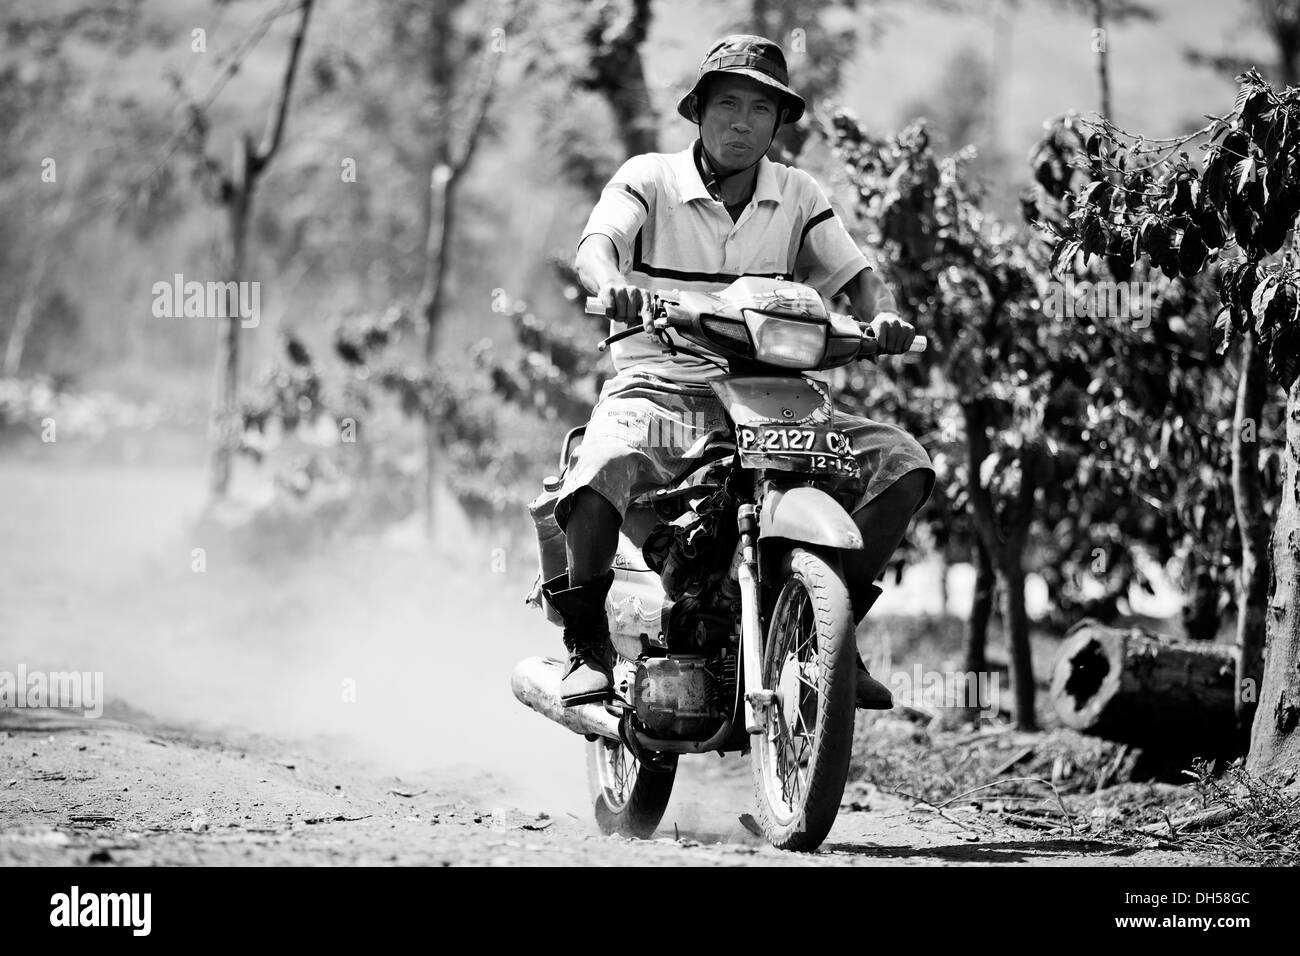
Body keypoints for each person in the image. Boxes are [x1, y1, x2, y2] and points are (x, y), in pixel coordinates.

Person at [542, 34, 935, 710]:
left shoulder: (799, 194)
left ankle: (825, 635)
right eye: (728, 104)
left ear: (779, 123)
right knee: (603, 460)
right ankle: (586, 643)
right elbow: (598, 246)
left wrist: (887, 319)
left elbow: (862, 281)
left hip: (773, 391)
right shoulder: (649, 178)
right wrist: (611, 284)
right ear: (698, 110)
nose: (742, 123)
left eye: (761, 109)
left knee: (902, 464)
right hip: (660, 383)